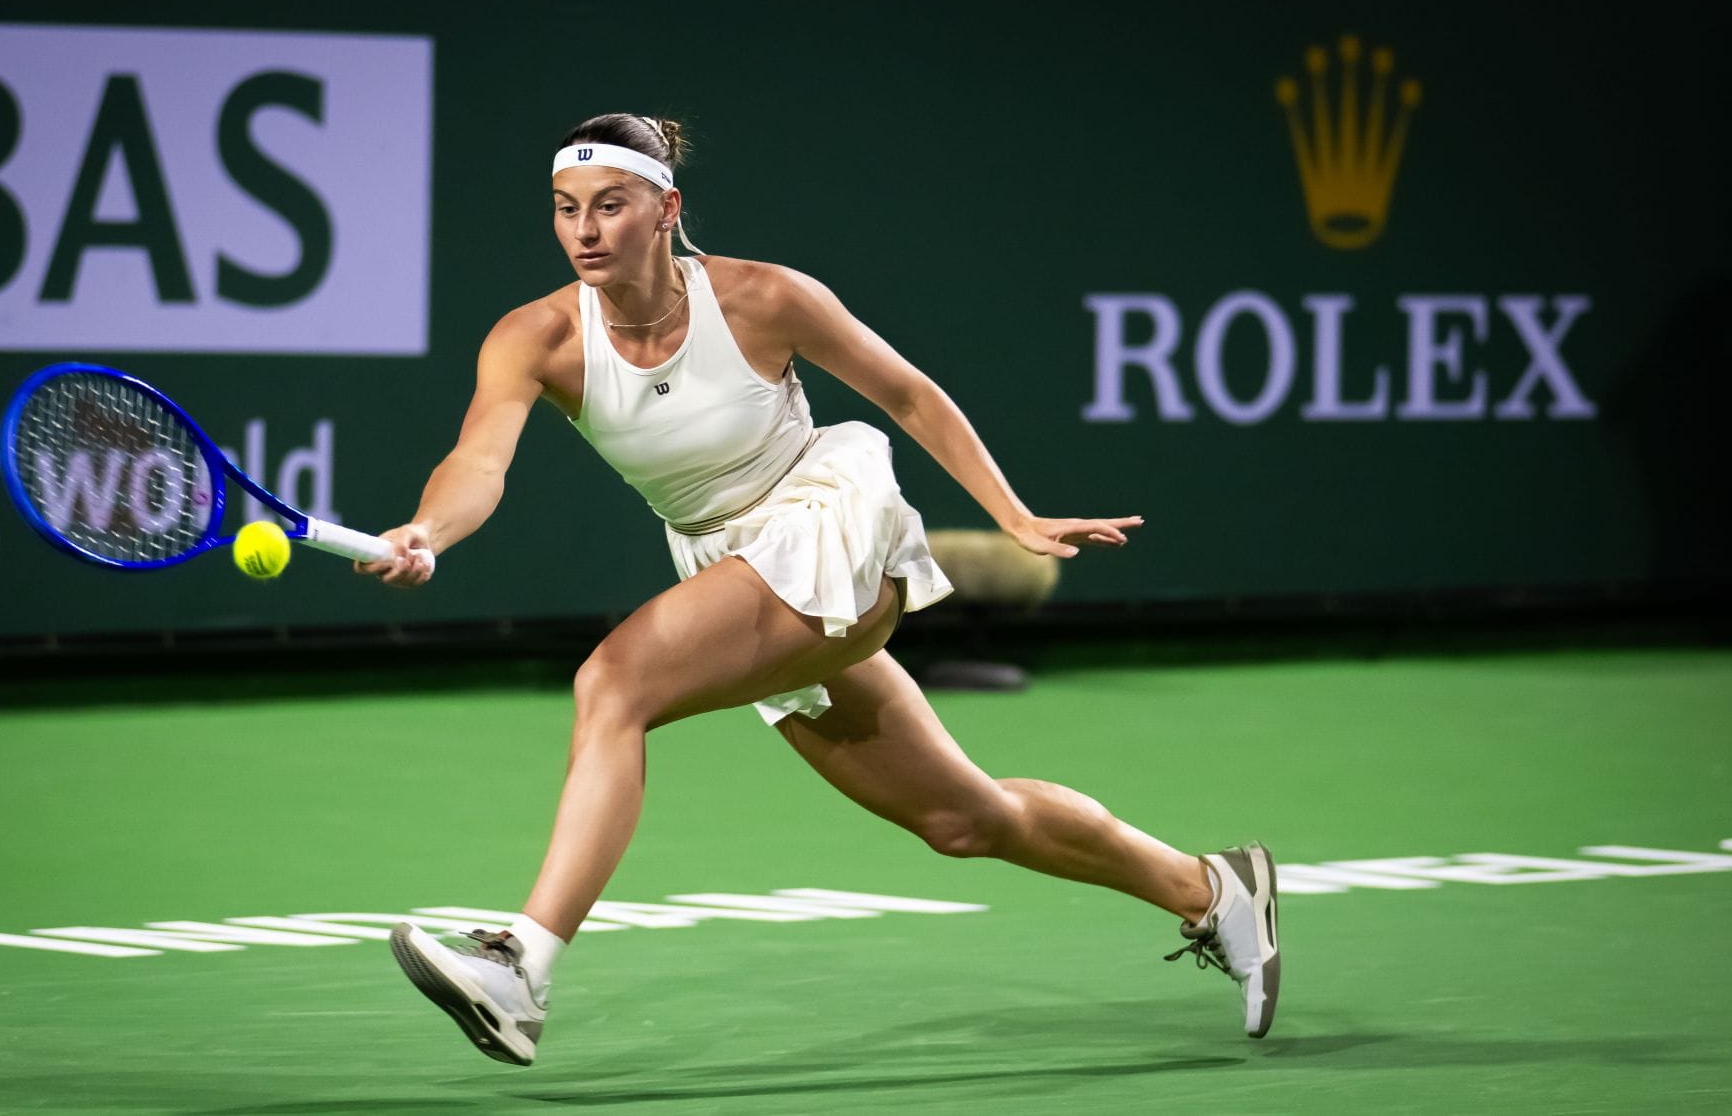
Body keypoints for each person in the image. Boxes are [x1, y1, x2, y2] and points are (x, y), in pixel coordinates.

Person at [362, 113, 1280, 1066]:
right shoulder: (536, 337)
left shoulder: (763, 297)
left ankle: (523, 964)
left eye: (610, 206)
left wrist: (1012, 517)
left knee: (613, 686)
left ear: (665, 210)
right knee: (963, 819)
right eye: (566, 210)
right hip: (729, 566)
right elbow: (478, 461)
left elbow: (909, 393)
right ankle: (1211, 890)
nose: (585, 229)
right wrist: (429, 529)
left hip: (826, 516)